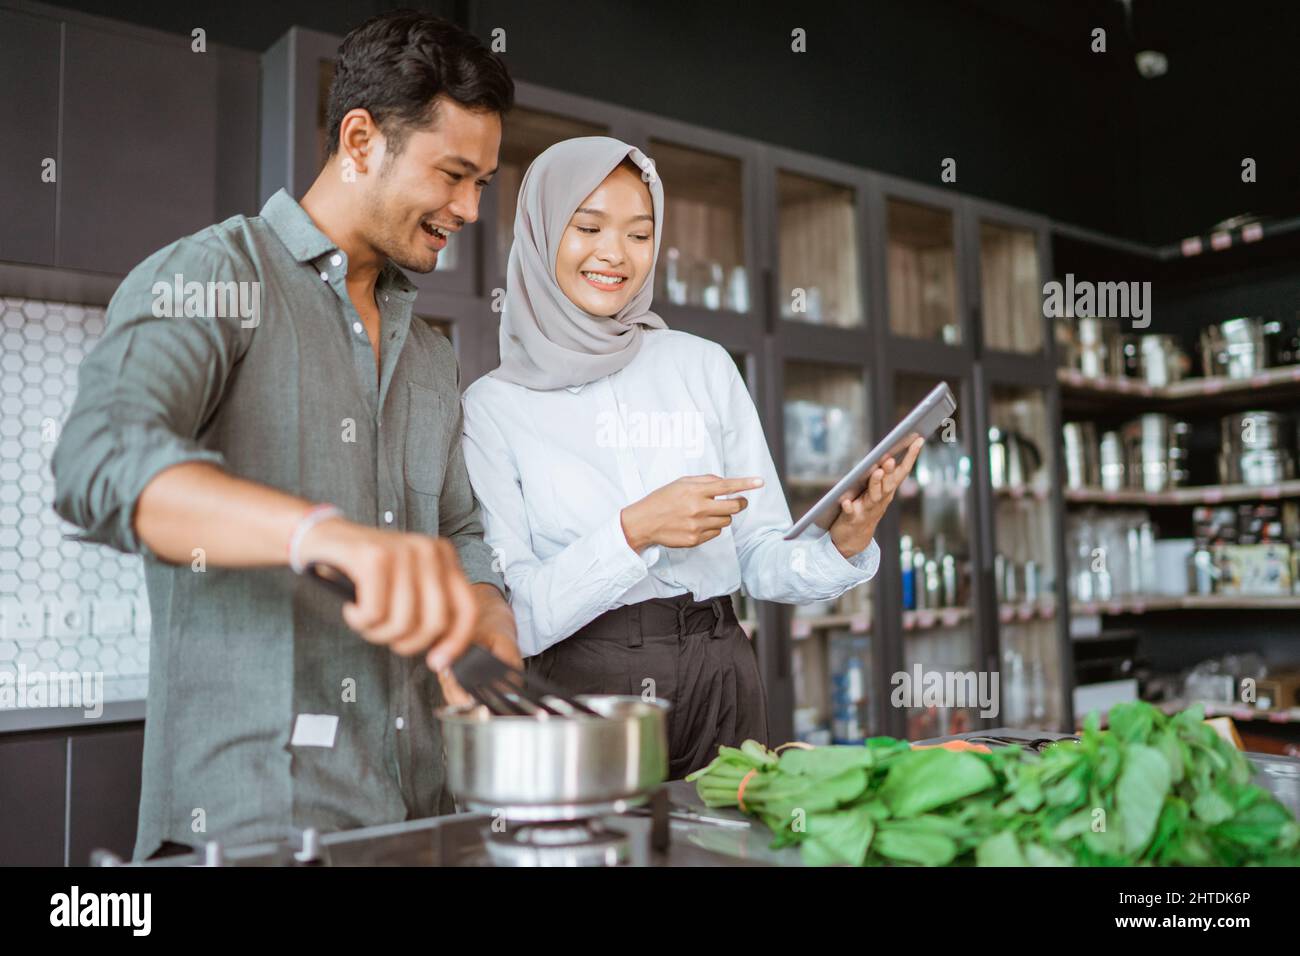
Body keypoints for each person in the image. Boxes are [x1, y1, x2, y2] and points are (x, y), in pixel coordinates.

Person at [52, 11, 519, 860]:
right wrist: (320, 536)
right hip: (253, 826)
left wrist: (484, 608)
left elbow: (460, 532)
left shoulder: (428, 356)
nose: (470, 209)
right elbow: (98, 457)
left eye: (483, 183)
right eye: (454, 175)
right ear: (361, 139)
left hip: (424, 815)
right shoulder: (216, 276)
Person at [461, 137, 921, 778]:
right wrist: (635, 530)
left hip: (722, 668)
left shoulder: (702, 366)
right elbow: (522, 616)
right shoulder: (493, 407)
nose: (614, 254)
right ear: (539, 233)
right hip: (582, 690)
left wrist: (844, 541)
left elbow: (759, 560)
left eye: (639, 234)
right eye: (587, 227)